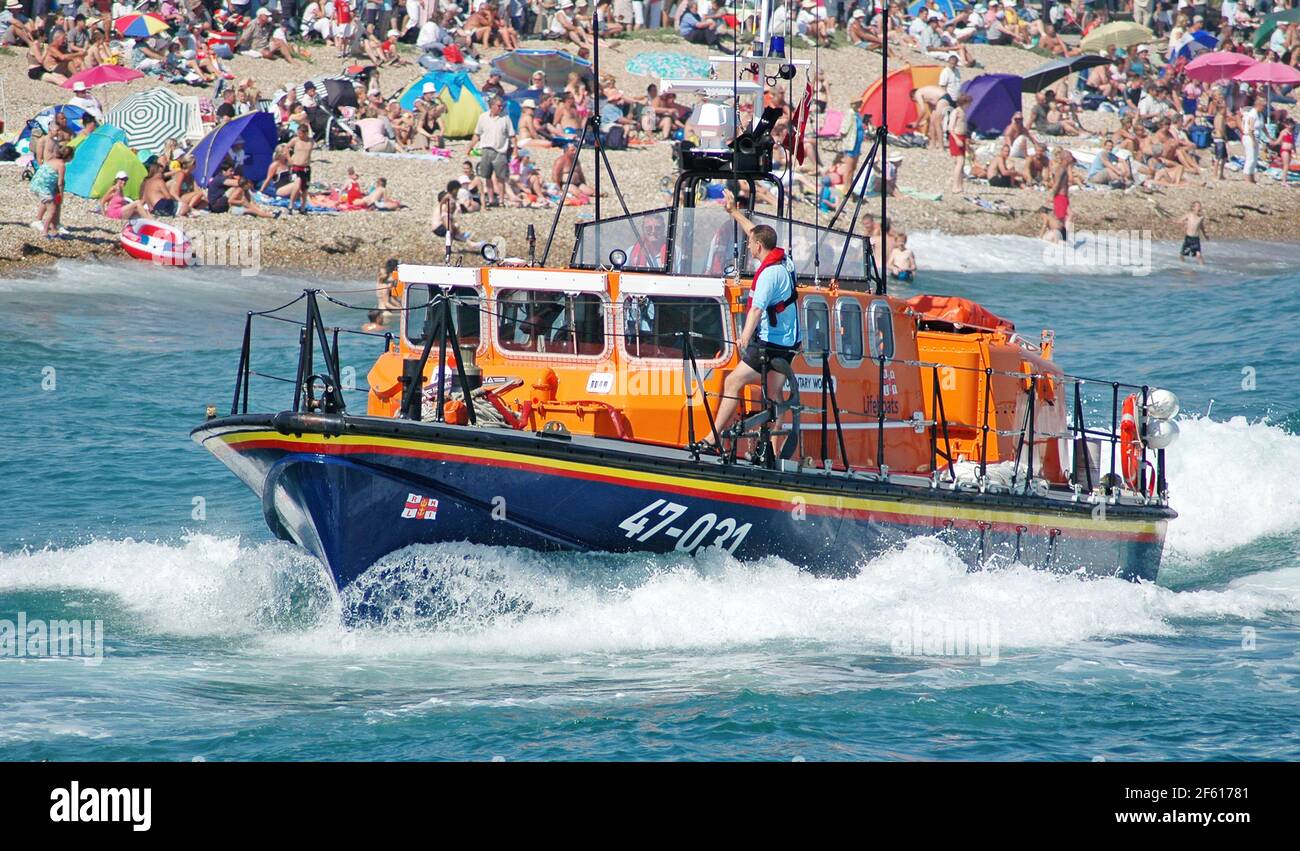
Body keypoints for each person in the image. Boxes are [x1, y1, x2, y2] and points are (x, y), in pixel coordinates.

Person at [696, 191, 801, 452]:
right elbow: (754, 230)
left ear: (757, 247)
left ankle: (713, 438)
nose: (748, 246)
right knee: (775, 396)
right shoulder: (783, 259)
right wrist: (733, 212)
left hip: (771, 344)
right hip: (789, 343)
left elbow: (755, 311)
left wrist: (743, 338)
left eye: (750, 244)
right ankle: (776, 453)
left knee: (733, 381)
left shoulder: (768, 275)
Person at [468, 95, 515, 207]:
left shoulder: (505, 118)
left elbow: (512, 135)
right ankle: (491, 199)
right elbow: (477, 134)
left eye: (502, 106)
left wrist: (516, 151)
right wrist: (470, 147)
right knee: (487, 176)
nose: (501, 108)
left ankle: (501, 200)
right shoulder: (483, 117)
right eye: (499, 106)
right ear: (492, 106)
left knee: (500, 177)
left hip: (500, 151)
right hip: (486, 149)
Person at [286, 122, 315, 213]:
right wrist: (289, 159)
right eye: (298, 133)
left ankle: (303, 207)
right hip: (296, 166)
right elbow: (286, 147)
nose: (299, 135)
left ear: (305, 133)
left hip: (306, 167)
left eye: (301, 133)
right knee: (297, 184)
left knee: (305, 188)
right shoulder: (295, 140)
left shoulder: (311, 141)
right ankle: (291, 204)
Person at [1241, 97, 1262, 184]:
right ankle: (1247, 177)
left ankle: (1251, 176)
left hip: (1256, 137)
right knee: (1250, 157)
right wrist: (1253, 140)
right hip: (1250, 137)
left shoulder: (1259, 114)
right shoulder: (1252, 114)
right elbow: (1250, 128)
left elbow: (1262, 126)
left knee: (1255, 158)